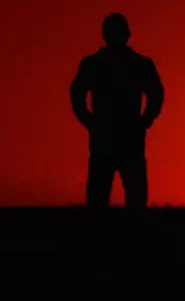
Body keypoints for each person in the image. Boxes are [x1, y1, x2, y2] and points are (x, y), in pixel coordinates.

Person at [70, 13, 164, 208]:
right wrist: (144, 121)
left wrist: (144, 121)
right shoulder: (99, 64)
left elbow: (156, 94)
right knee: (107, 199)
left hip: (120, 137)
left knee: (127, 199)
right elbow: (76, 94)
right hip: (113, 138)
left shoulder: (133, 64)